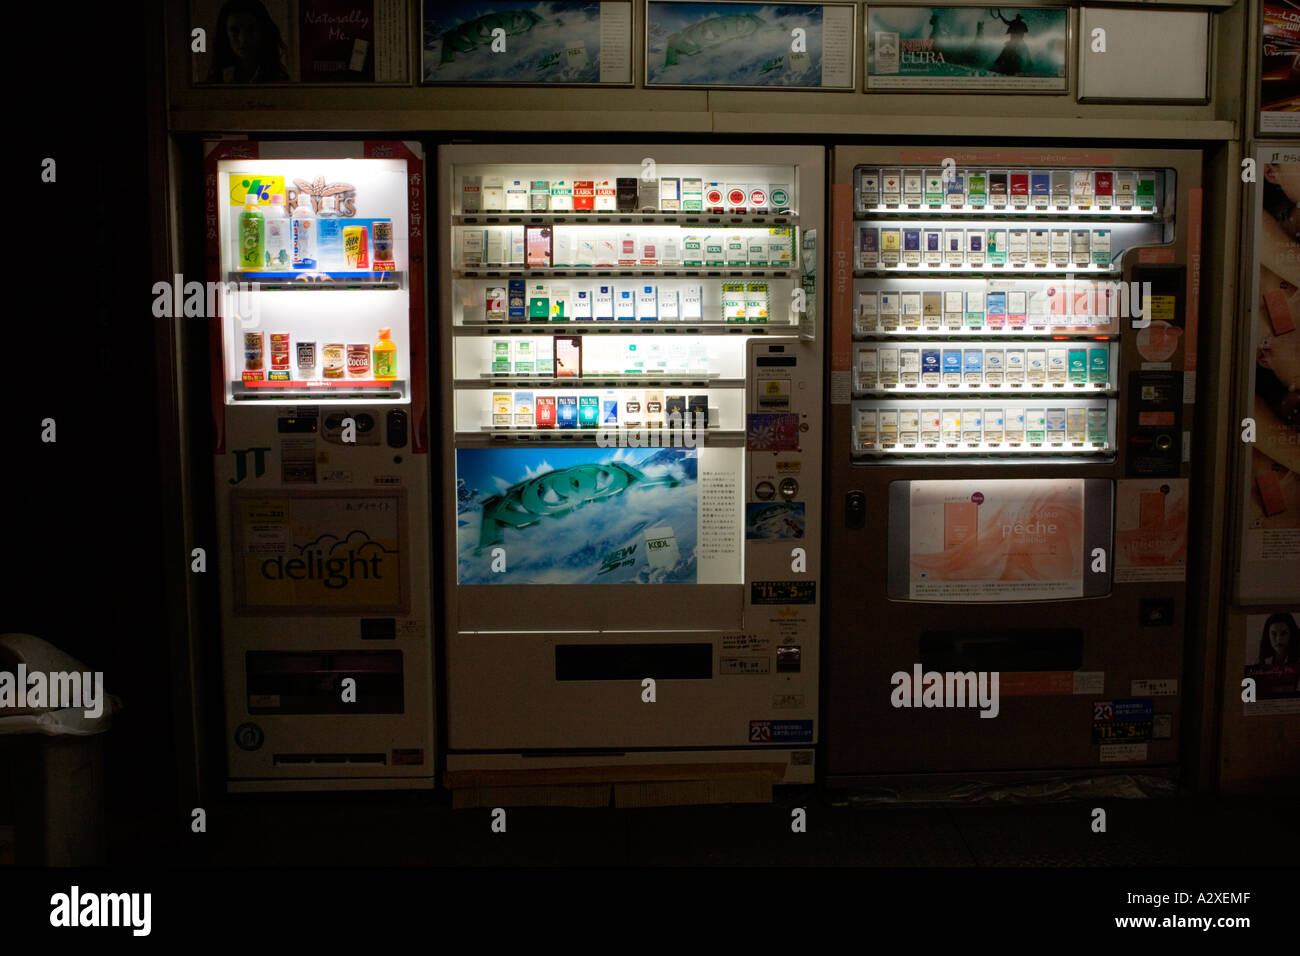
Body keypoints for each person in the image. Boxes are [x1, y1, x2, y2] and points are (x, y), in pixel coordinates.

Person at [205, 0, 290, 84]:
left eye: (251, 30)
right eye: (234, 30)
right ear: (225, 34)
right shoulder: (216, 81)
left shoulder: (278, 81)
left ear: (263, 31)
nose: (243, 39)